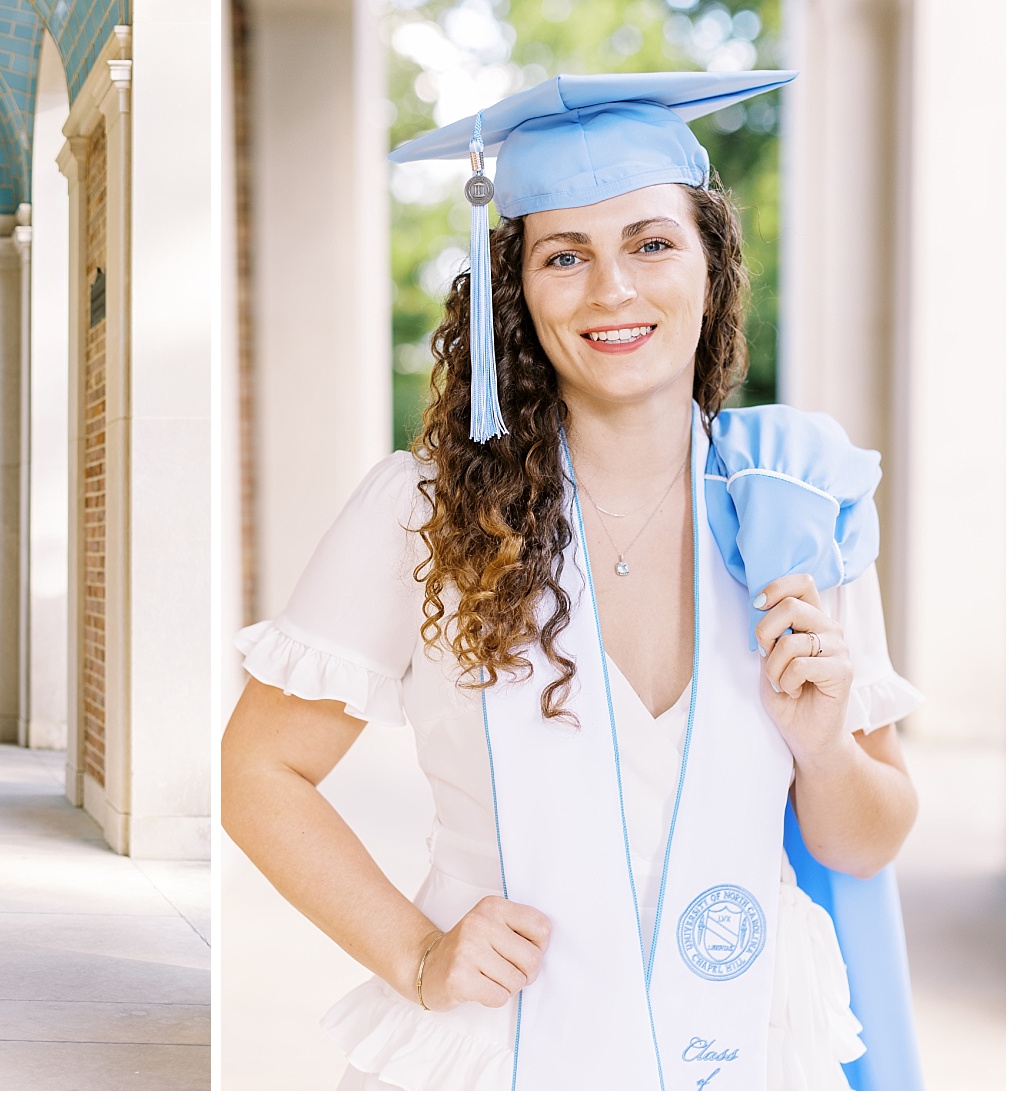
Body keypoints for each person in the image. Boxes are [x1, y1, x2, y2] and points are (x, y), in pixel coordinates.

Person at [222, 72, 922, 1090]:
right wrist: (418, 953)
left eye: (651, 244)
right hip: (498, 1050)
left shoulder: (793, 508)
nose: (612, 291)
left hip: (750, 1044)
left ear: (713, 268)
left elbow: (866, 841)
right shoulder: (425, 515)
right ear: (515, 293)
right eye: (565, 255)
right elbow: (258, 771)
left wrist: (823, 747)